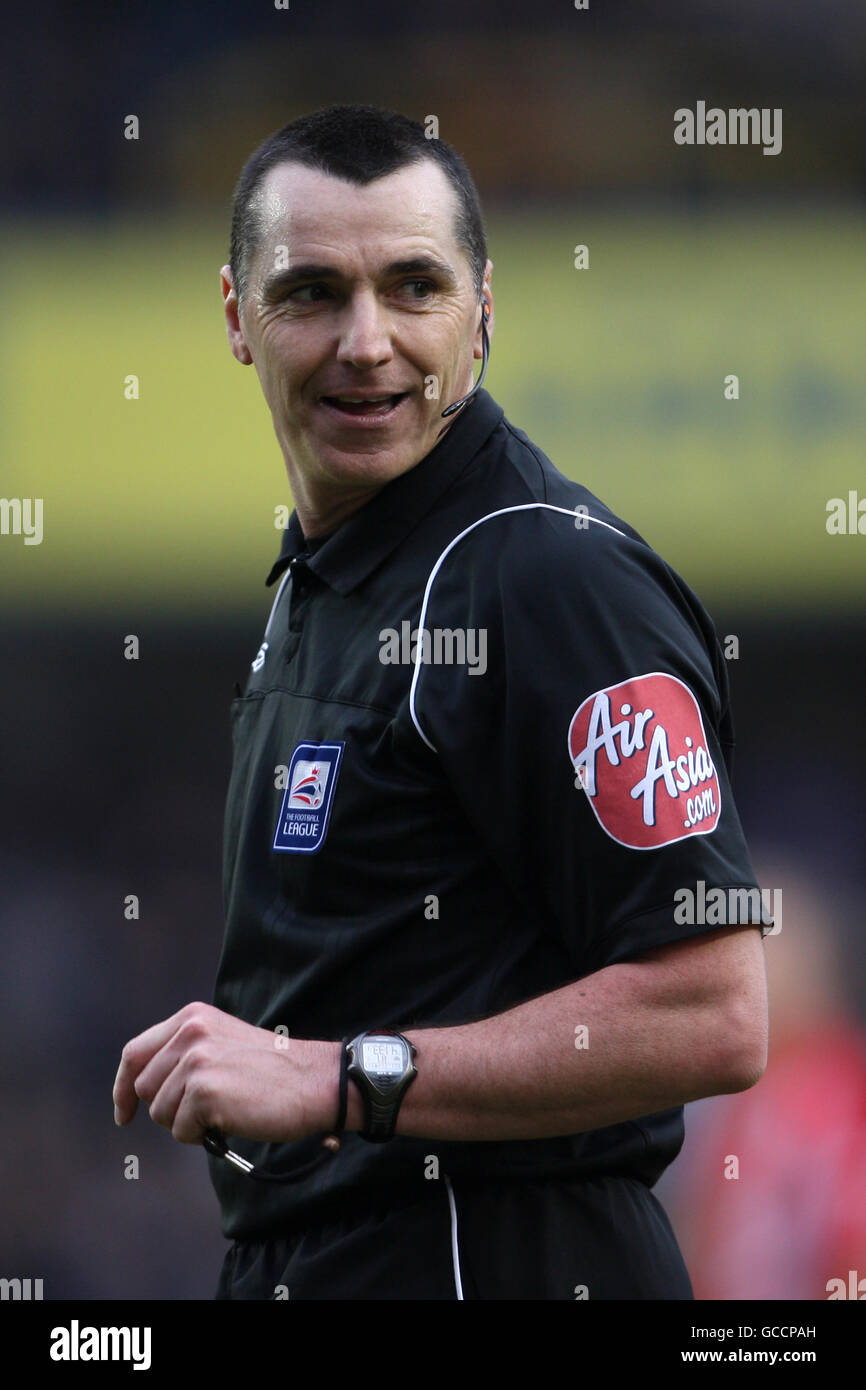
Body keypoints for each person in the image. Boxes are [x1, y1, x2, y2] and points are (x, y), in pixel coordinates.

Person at [113, 103, 770, 1301]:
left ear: (481, 310)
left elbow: (710, 1011)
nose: (366, 342)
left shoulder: (546, 580)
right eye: (311, 292)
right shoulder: (333, 568)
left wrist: (335, 1077)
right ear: (234, 319)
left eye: (412, 286)